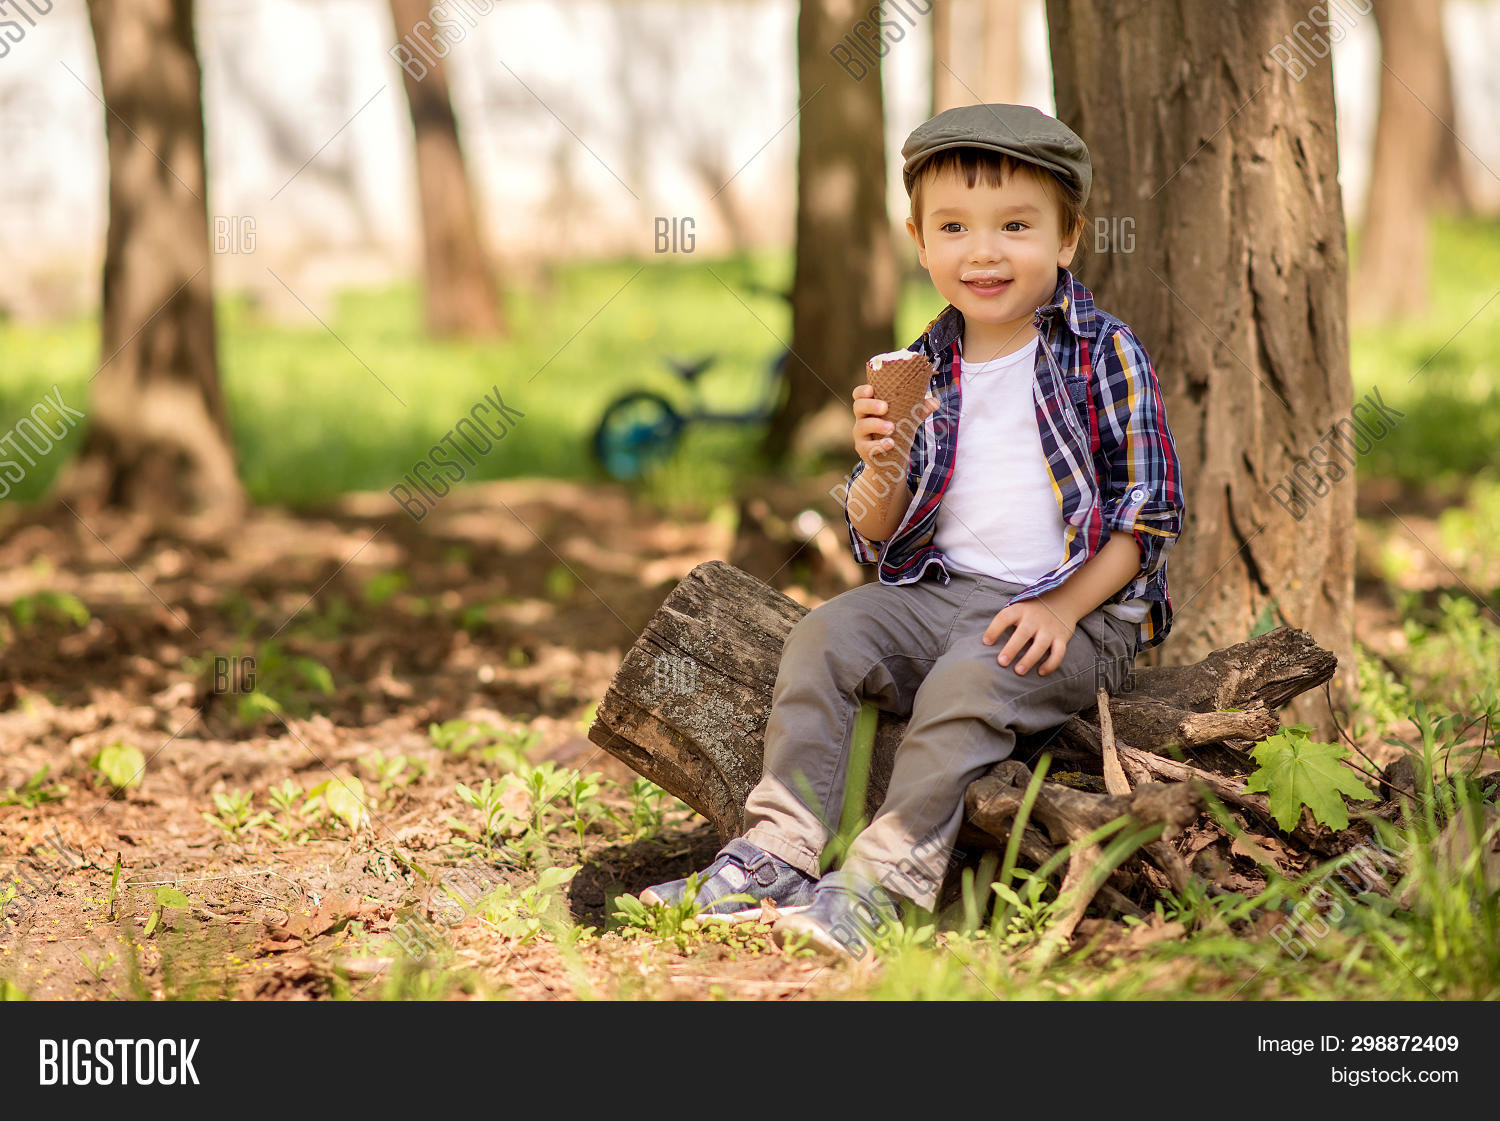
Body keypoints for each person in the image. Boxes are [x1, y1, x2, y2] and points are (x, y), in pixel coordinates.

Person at [640, 104, 1186, 957]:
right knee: (825, 633)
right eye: (955, 227)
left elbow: (1147, 516)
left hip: (1076, 612)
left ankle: (879, 888)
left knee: (968, 683)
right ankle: (779, 850)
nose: (985, 250)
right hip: (944, 594)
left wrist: (1062, 609)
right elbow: (876, 535)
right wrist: (880, 464)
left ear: (1068, 238)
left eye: (1016, 225)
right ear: (920, 242)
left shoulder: (1101, 352)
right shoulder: (918, 368)